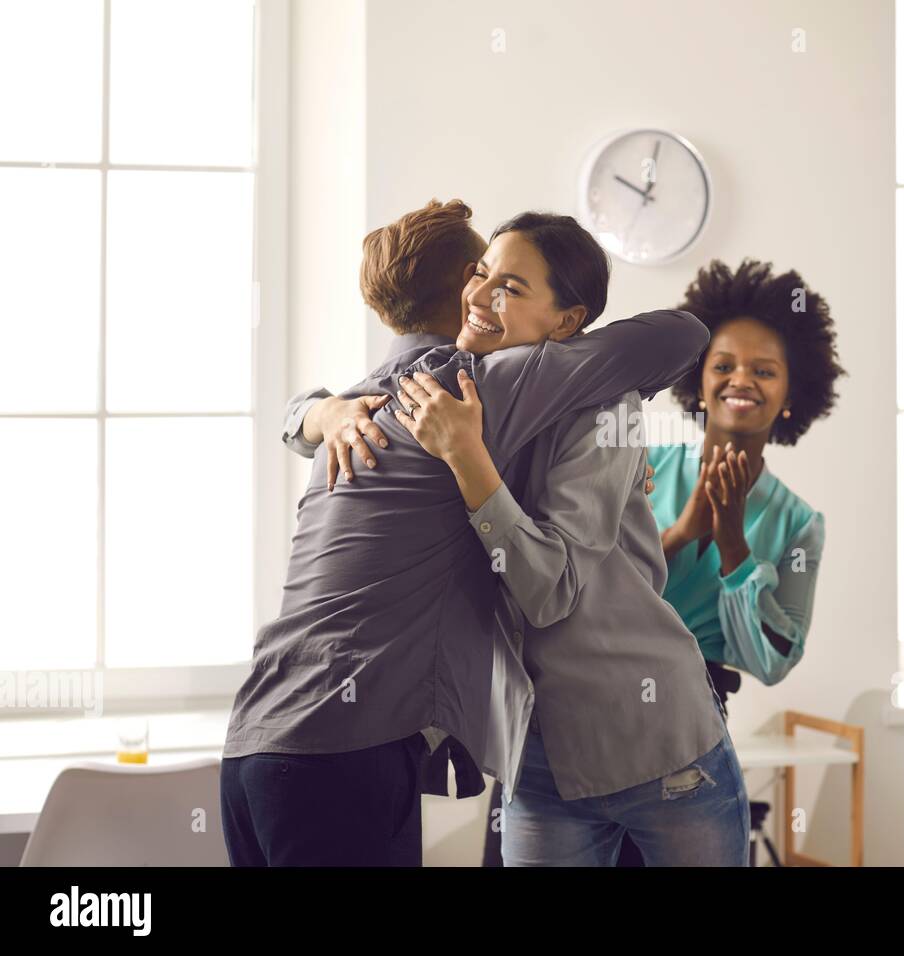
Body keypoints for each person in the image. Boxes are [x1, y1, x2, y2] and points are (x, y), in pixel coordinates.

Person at [221, 198, 709, 865]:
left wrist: (316, 411)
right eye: (482, 273)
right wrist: (575, 353)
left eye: (505, 280)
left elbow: (293, 417)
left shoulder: (361, 403)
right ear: (462, 290)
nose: (485, 290)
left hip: (252, 747)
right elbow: (678, 337)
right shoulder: (478, 381)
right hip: (341, 758)